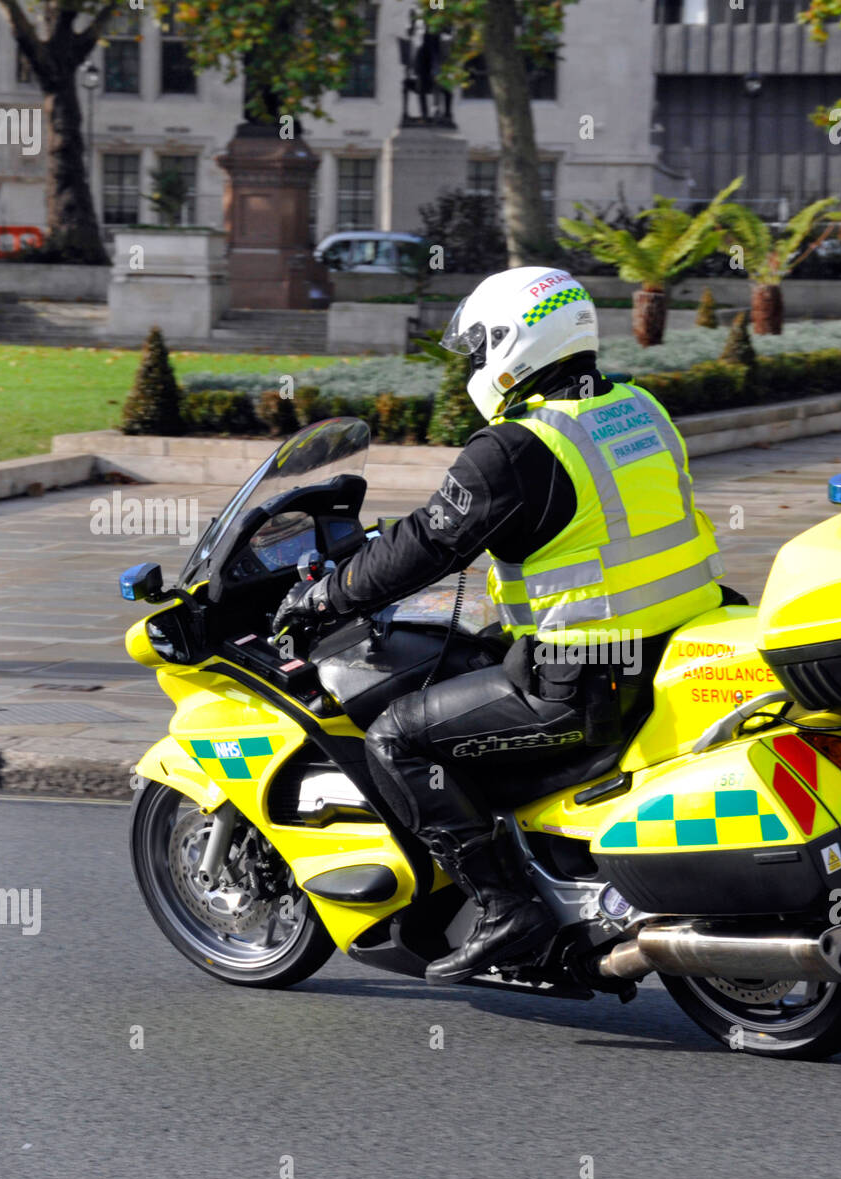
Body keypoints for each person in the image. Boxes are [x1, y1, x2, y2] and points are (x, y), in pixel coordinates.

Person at [272, 266, 726, 983]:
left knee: (398, 737)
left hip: (581, 683)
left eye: (479, 347)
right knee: (480, 660)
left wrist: (327, 597)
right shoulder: (636, 408)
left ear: (510, 344)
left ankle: (503, 907)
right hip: (672, 641)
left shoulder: (518, 447)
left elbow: (428, 542)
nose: (475, 365)